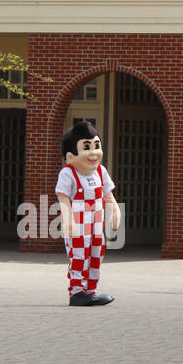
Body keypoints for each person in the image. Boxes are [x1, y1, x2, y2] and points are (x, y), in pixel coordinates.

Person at [56, 120, 121, 306]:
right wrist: (67, 219)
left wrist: (115, 209)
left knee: (96, 252)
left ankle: (90, 290)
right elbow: (63, 198)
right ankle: (77, 291)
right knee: (79, 255)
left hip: (96, 222)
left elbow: (108, 194)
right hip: (78, 222)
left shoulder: (100, 171)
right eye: (86, 147)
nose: (93, 153)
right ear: (70, 156)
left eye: (96, 146)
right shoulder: (68, 173)